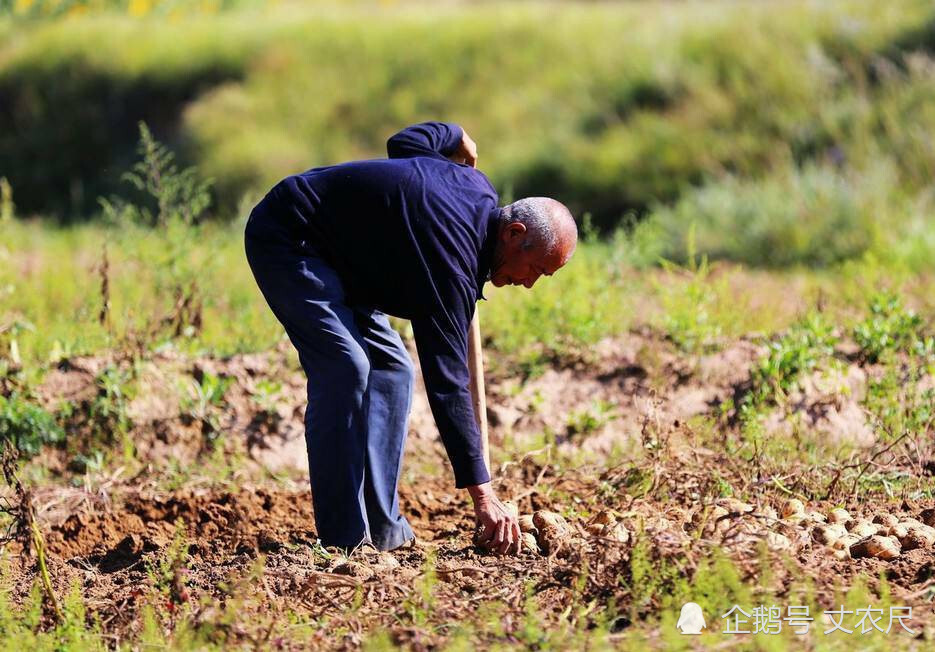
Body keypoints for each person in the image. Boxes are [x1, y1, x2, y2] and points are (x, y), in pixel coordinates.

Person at [244, 122, 576, 555]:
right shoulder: (451, 264)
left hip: (346, 264)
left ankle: (382, 531)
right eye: (536, 270)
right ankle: (345, 541)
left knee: (393, 370)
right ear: (514, 234)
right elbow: (448, 383)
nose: (529, 284)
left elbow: (406, 144)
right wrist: (483, 496)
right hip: (292, 237)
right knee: (346, 368)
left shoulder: (476, 187)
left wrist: (452, 135)